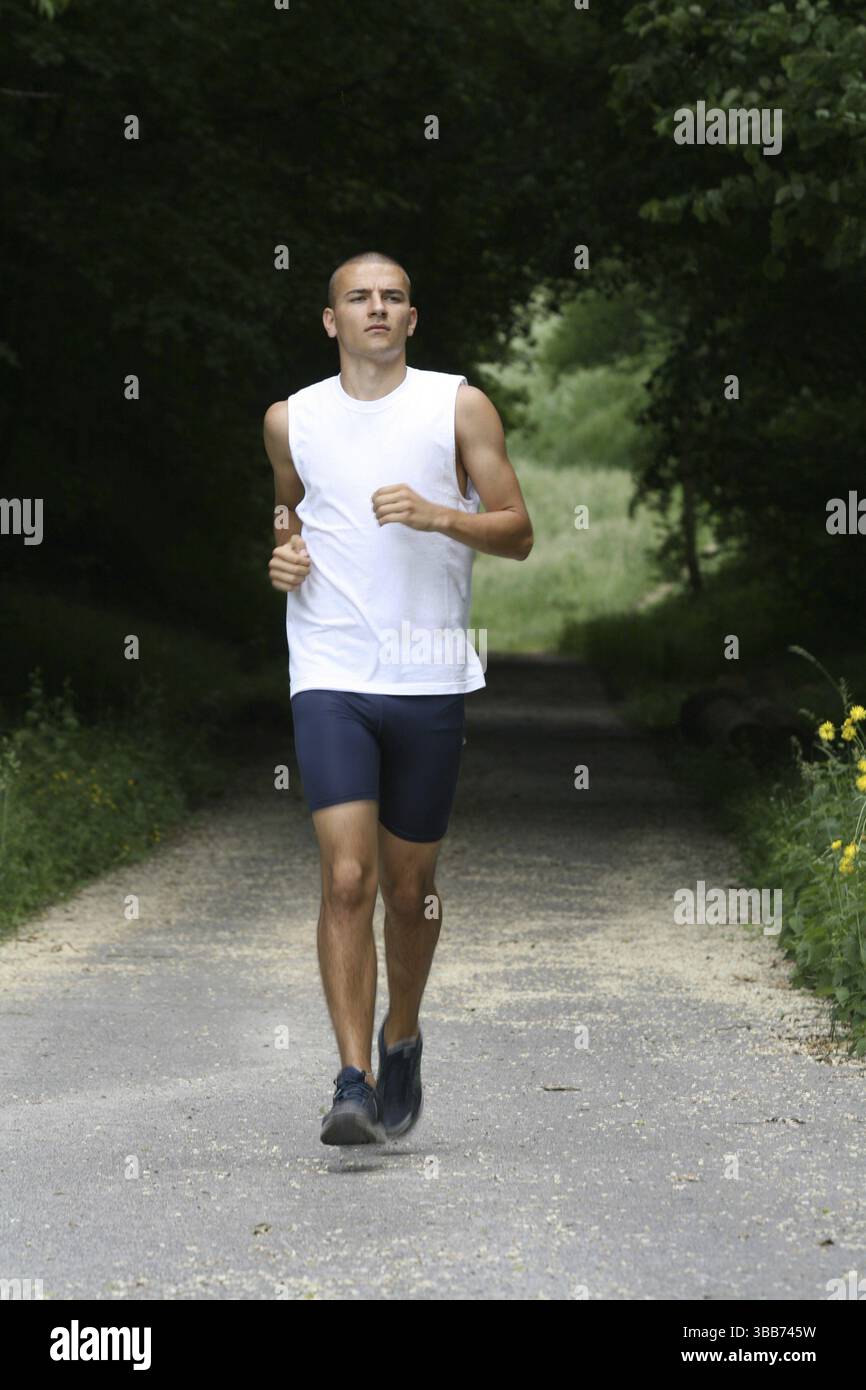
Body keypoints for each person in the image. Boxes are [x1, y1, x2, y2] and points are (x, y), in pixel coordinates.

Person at [262, 252, 533, 1145]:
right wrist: (285, 555)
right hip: (331, 670)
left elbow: (519, 531)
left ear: (412, 319)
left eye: (393, 297)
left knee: (411, 894)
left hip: (427, 675)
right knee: (347, 878)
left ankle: (402, 1033)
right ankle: (352, 1080)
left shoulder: (457, 404)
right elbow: (289, 513)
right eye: (358, 297)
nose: (376, 308)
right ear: (330, 320)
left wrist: (439, 515)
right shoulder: (290, 418)